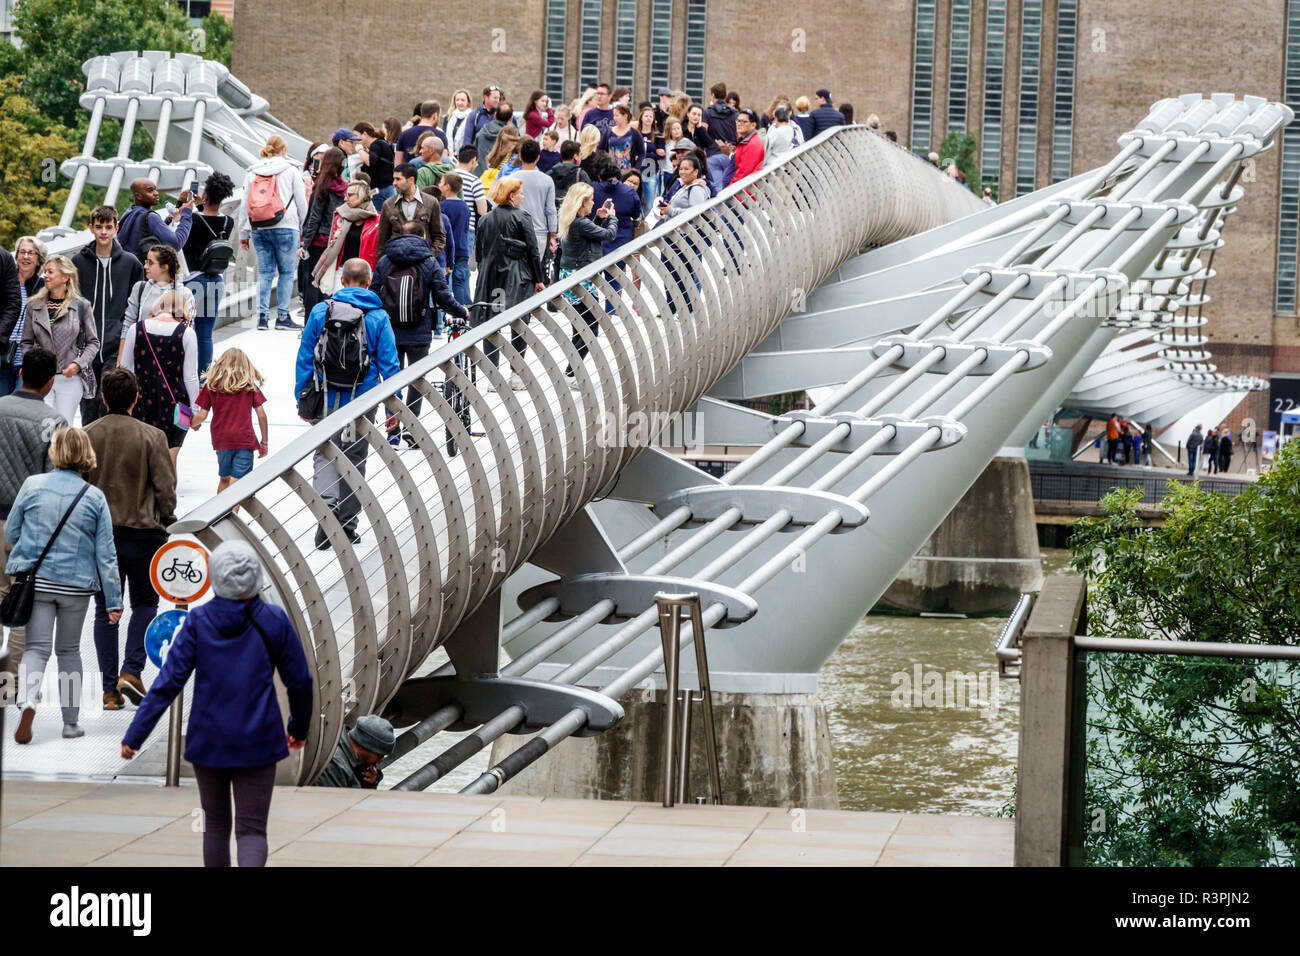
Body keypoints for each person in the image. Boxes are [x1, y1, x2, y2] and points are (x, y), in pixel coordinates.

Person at [122, 540, 312, 867]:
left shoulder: (198, 621)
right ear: (256, 577)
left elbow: (168, 682)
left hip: (208, 738)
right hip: (259, 738)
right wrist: (298, 728)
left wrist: (134, 736)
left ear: (215, 577)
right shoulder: (274, 620)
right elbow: (300, 681)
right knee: (252, 830)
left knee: (215, 825)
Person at [9, 426, 122, 744]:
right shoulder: (95, 497)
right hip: (76, 586)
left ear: (55, 451)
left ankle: (28, 700)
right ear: (86, 455)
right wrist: (113, 600)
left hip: (39, 581)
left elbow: (13, 531)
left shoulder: (33, 486)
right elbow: (106, 554)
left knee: (36, 648)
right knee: (69, 651)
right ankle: (70, 723)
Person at [85, 367, 176, 710]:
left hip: (100, 536)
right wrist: (167, 518)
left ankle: (109, 690)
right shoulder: (153, 437)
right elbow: (165, 488)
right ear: (136, 398)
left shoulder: (88, 434)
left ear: (104, 397)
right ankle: (131, 671)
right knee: (145, 603)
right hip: (143, 535)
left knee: (104, 610)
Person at [295, 258, 401, 548]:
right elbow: (390, 366)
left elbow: (305, 355)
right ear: (369, 282)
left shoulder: (321, 310)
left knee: (324, 454)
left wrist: (302, 397)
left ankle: (325, 514)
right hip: (362, 399)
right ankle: (347, 525)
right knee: (354, 459)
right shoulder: (378, 317)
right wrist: (395, 408)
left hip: (326, 394)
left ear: (342, 281)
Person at [0, 347, 64, 695]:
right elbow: (55, 481)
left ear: (21, 373)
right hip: (28, 526)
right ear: (51, 381)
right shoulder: (54, 423)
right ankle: (9, 684)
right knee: (21, 601)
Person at [372, 221, 467, 437]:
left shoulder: (385, 261)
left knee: (391, 379)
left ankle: (392, 431)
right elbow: (443, 296)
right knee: (416, 381)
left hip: (389, 331)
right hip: (419, 331)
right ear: (423, 236)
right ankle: (411, 431)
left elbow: (374, 293)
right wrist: (461, 311)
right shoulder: (429, 261)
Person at [71, 208, 144, 423]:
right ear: (91, 228)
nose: (104, 232)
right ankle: (90, 456)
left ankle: (109, 455)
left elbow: (137, 308)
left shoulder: (131, 263)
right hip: (86, 349)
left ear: (116, 228)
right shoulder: (78, 262)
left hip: (116, 347)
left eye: (108, 227)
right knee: (88, 410)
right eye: (99, 227)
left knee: (110, 408)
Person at [473, 178, 547, 390]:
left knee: (492, 325)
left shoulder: (484, 219)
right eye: (521, 193)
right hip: (518, 279)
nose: (523, 196)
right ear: (511, 195)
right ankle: (516, 374)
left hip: (491, 279)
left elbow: (479, 253)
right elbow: (533, 251)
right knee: (519, 324)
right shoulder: (522, 217)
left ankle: (493, 377)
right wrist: (539, 279)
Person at [118, 289, 199, 468]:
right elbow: (191, 377)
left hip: (140, 401)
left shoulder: (136, 329)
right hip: (175, 406)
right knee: (170, 459)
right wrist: (195, 409)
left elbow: (124, 369)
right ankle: (167, 495)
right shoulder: (186, 334)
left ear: (159, 305)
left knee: (141, 457)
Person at [239, 136, 308, 331]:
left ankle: (262, 318)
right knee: (286, 273)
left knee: (266, 273)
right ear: (284, 150)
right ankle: (283, 318)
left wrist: (244, 232)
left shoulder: (252, 172)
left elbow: (245, 204)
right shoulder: (291, 170)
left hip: (259, 227)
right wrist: (304, 230)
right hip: (287, 226)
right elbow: (301, 203)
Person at [22, 255, 99, 423]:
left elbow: (93, 343)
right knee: (42, 426)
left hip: (69, 378)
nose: (45, 276)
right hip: (41, 378)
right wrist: (32, 363)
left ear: (65, 277)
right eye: (45, 272)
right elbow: (26, 342)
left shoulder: (81, 306)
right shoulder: (33, 305)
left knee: (64, 427)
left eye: (50, 272)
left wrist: (78, 364)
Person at [557, 183, 617, 382]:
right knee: (589, 328)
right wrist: (612, 217)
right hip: (581, 280)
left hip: (573, 276)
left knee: (581, 327)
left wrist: (597, 219)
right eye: (590, 200)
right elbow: (609, 235)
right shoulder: (581, 223)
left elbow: (587, 238)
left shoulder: (574, 220)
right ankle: (570, 374)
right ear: (582, 202)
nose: (593, 203)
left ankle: (571, 373)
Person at [189, 348, 269, 497]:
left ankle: (218, 515)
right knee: (239, 484)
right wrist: (264, 442)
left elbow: (202, 414)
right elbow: (262, 415)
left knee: (225, 479)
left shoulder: (212, 386)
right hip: (244, 439)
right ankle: (231, 517)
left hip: (221, 439)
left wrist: (191, 423)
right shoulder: (249, 387)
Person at [179, 175, 236, 378]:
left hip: (194, 280)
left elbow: (180, 230)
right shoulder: (227, 222)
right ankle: (203, 376)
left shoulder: (193, 219)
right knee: (205, 334)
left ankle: (186, 374)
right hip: (216, 281)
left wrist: (184, 204)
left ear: (205, 194)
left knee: (186, 330)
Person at [299, 146, 348, 318]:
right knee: (330, 282)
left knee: (314, 282)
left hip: (319, 240)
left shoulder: (322, 186)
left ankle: (311, 324)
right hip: (336, 239)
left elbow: (314, 217)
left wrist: (305, 244)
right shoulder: (345, 187)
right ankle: (328, 320)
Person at [312, 179, 380, 294]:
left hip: (366, 272)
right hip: (342, 271)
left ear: (362, 196)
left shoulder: (377, 220)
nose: (345, 199)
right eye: (345, 195)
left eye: (350, 195)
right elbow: (332, 245)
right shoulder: (340, 216)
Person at [2, 237, 48, 397]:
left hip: (27, 361)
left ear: (38, 260)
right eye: (22, 252)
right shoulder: (5, 282)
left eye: (31, 253)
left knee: (21, 405)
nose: (25, 257)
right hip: (3, 355)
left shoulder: (43, 288)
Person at [377, 163, 446, 260]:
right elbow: (382, 240)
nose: (394, 183)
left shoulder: (431, 203)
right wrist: (384, 264)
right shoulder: (388, 204)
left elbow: (439, 237)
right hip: (395, 262)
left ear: (411, 180)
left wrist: (428, 256)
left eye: (398, 179)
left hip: (421, 264)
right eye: (394, 179)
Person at [116, 178, 195, 261]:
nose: (156, 193)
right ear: (138, 195)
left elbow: (144, 233)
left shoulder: (130, 211)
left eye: (155, 189)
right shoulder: (151, 217)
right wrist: (187, 214)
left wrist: (168, 220)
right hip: (144, 270)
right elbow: (176, 244)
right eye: (150, 191)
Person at [314, 715, 394, 788]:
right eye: (379, 756)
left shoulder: (351, 756)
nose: (379, 761)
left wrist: (371, 783)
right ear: (364, 746)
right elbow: (346, 802)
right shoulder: (335, 765)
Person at [514, 138, 559, 259]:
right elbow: (550, 210)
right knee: (535, 273)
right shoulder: (547, 180)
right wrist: (553, 235)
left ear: (520, 156)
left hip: (515, 232)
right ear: (538, 158)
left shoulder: (511, 179)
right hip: (539, 232)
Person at [438, 173, 473, 308]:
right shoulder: (464, 206)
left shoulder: (443, 206)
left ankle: (449, 313)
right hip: (463, 249)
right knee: (461, 282)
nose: (439, 185)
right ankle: (464, 311)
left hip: (448, 250)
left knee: (445, 284)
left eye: (441, 182)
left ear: (447, 187)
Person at [454, 146, 490, 258]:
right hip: (467, 228)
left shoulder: (447, 175)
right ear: (473, 160)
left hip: (448, 226)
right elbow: (482, 210)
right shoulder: (474, 181)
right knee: (462, 266)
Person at [354, 121, 396, 206]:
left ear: (365, 134)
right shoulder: (380, 143)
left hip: (381, 190)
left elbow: (369, 161)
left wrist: (360, 150)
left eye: (356, 136)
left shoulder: (376, 145)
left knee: (379, 217)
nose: (355, 140)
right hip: (387, 188)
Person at [396, 100, 446, 165]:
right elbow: (444, 162)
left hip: (409, 174)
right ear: (435, 115)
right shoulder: (441, 136)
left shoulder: (405, 134)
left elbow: (397, 164)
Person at [460, 85, 504, 152]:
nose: (497, 100)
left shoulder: (503, 114)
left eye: (498, 98)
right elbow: (467, 139)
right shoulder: (474, 115)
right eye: (495, 98)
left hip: (498, 158)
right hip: (479, 157)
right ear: (486, 97)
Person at [728, 108, 765, 185]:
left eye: (744, 122)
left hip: (741, 193)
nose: (739, 124)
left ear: (753, 125)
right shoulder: (746, 141)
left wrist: (728, 191)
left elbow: (743, 175)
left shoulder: (753, 144)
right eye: (738, 120)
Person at [704, 82, 738, 149]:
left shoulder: (707, 112)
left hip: (713, 152)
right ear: (725, 96)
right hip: (731, 151)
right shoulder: (735, 113)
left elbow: (703, 133)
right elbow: (739, 134)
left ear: (713, 95)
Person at [445, 89, 475, 154]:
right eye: (457, 100)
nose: (459, 102)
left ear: (468, 102)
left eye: (462, 100)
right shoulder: (448, 117)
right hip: (449, 154)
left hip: (465, 154)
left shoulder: (473, 117)